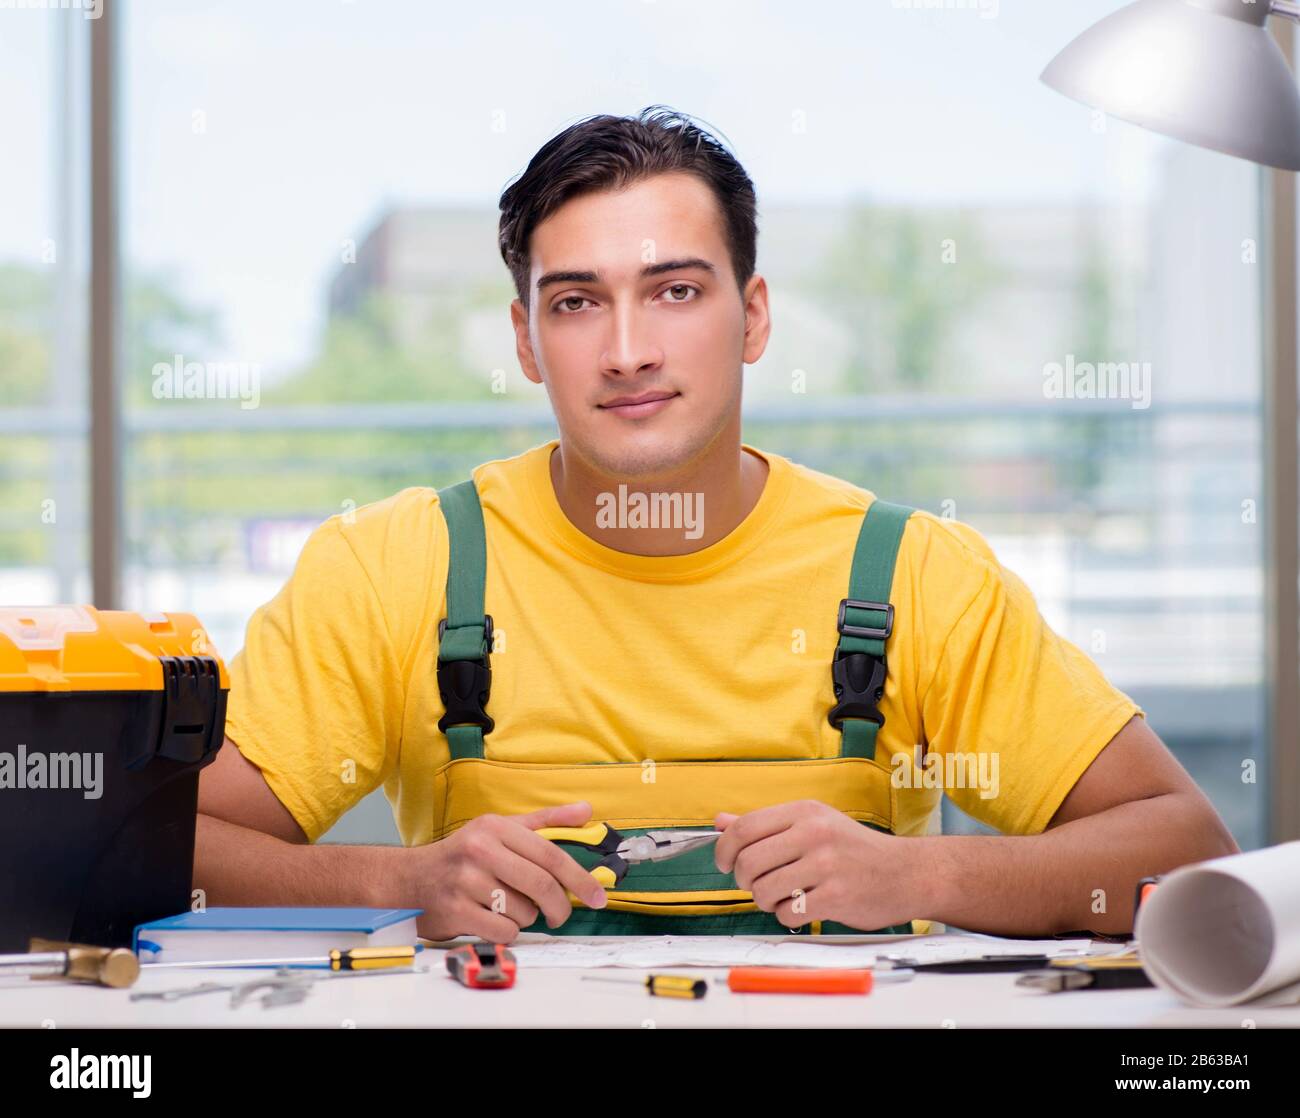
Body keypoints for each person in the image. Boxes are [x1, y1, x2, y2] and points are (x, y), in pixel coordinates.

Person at [196, 106, 1238, 942]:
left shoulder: (912, 575)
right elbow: (168, 842)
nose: (627, 349)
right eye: (574, 303)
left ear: (755, 315)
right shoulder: (396, 567)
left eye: (676, 290)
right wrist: (403, 880)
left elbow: (1183, 848)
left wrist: (915, 871)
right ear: (524, 340)